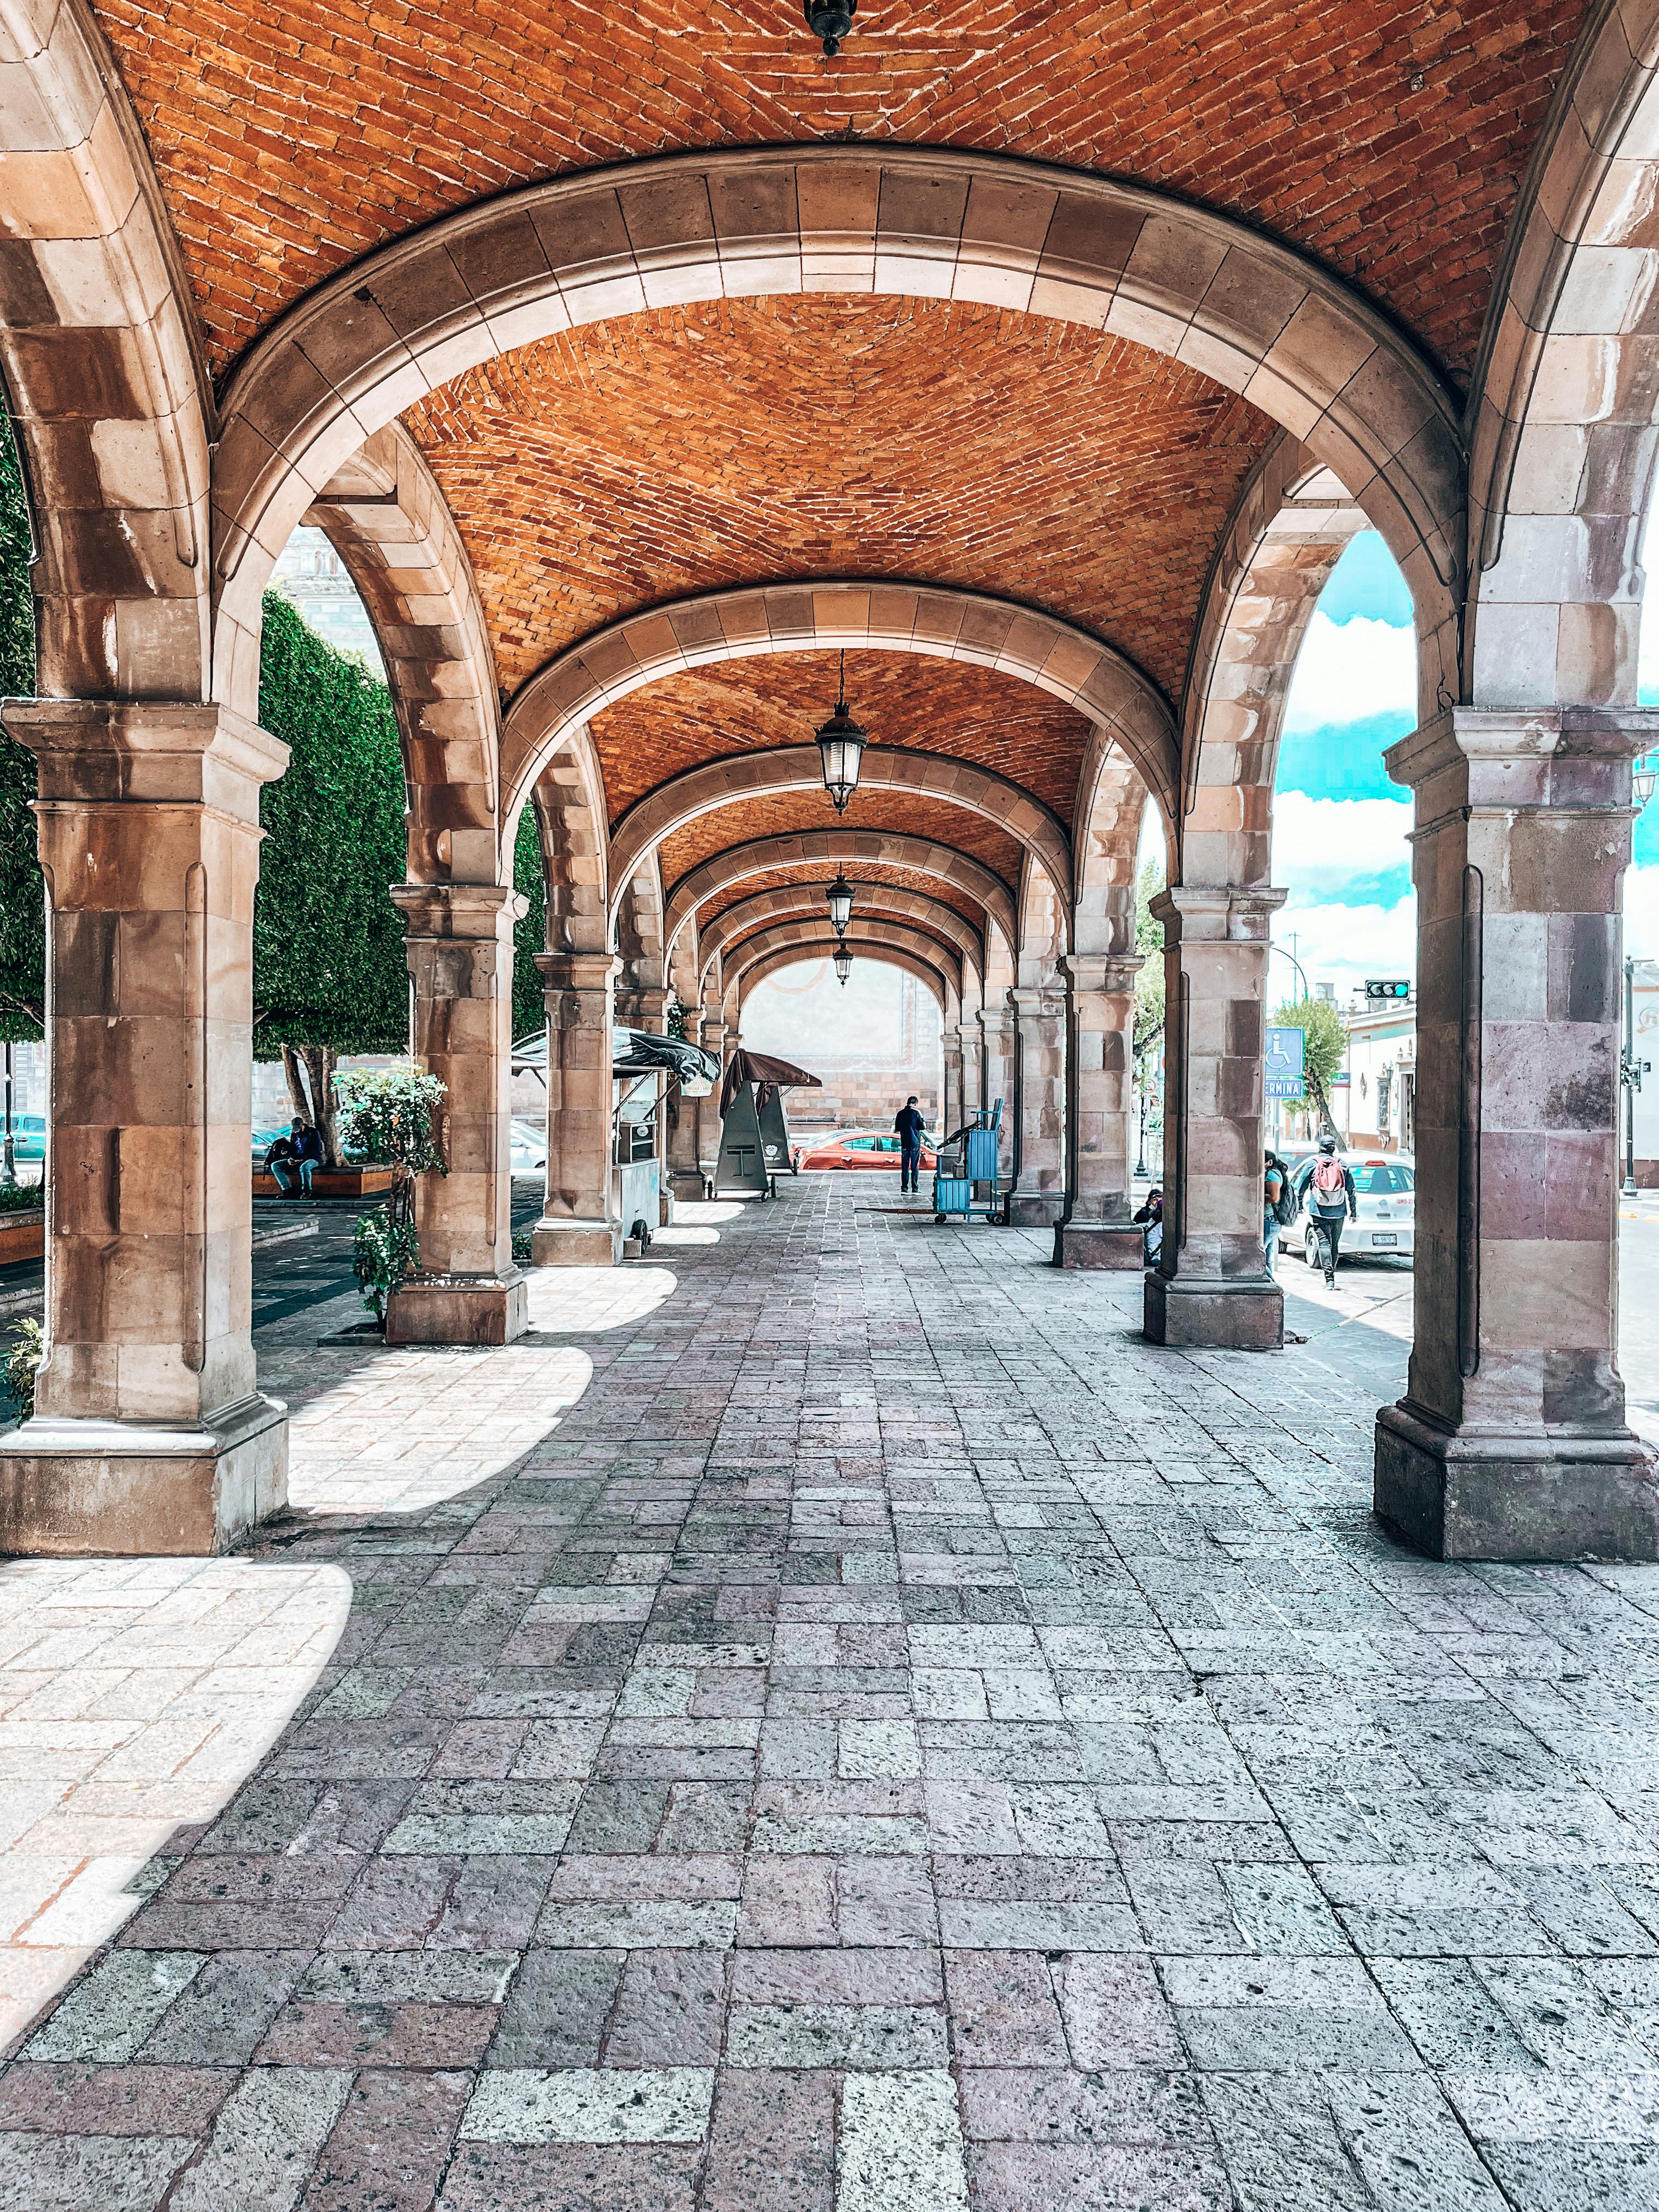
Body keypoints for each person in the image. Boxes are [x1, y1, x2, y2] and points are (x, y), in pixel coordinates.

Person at [1306, 1132, 1357, 1286]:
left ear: (1320, 1148)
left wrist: (1297, 1205)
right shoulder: (1343, 1165)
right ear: (1333, 1148)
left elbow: (1300, 1187)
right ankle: (1331, 1279)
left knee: (1324, 1243)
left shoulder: (1313, 1164)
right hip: (1339, 1211)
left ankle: (1329, 1279)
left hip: (1319, 1211)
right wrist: (1354, 1212)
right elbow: (1351, 1190)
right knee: (1335, 1244)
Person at [267, 1117, 324, 1196]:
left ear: (303, 1126)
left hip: (312, 1158)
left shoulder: (313, 1132)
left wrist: (302, 1160)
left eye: (299, 1128)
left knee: (305, 1167)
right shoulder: (294, 1134)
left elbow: (315, 1150)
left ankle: (307, 1191)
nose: (297, 1130)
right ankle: (287, 1190)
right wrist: (291, 1158)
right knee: (275, 1165)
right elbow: (293, 1149)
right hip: (297, 1159)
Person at [893, 1096, 927, 1194]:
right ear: (916, 1103)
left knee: (905, 1165)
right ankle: (915, 1188)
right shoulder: (917, 1113)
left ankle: (904, 1188)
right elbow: (923, 1127)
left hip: (905, 1142)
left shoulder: (900, 1113)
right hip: (915, 1143)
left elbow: (898, 1128)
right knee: (915, 1165)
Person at [1264, 1152, 1287, 1268]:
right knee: (1267, 1258)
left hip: (1270, 1218)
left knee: (1259, 1255)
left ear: (1270, 1162)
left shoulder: (1271, 1175)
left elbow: (1274, 1197)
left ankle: (1271, 1281)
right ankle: (1270, 1282)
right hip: (1273, 1219)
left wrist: (1257, 1195)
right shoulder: (1276, 1173)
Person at [1132, 1186, 1163, 1265]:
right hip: (1156, 1255)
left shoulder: (1151, 1221)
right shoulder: (1145, 1214)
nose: (1156, 1203)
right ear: (1149, 1202)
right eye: (1155, 1200)